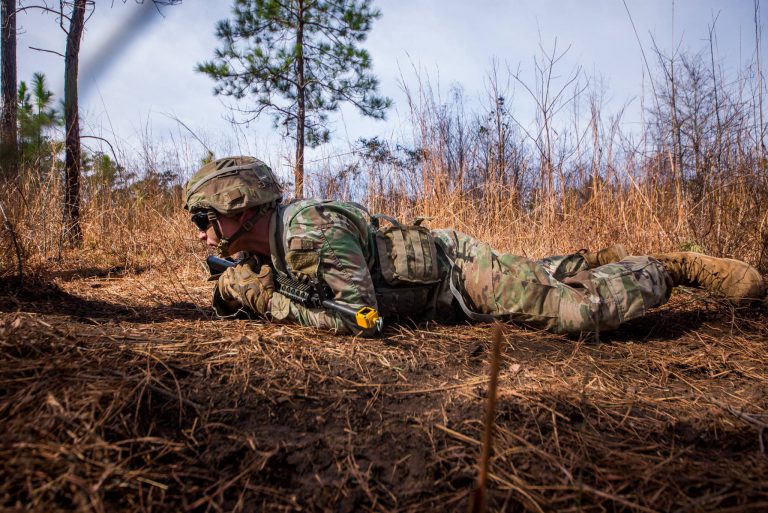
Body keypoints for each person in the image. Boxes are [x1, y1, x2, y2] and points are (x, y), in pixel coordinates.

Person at [183, 156, 766, 337]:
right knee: (541, 277)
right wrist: (237, 288)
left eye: (208, 219)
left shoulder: (309, 231)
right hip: (440, 293)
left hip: (458, 274)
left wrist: (262, 301)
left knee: (576, 313)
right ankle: (589, 260)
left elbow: (361, 320)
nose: (205, 235)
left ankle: (671, 266)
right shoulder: (268, 247)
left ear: (244, 210)